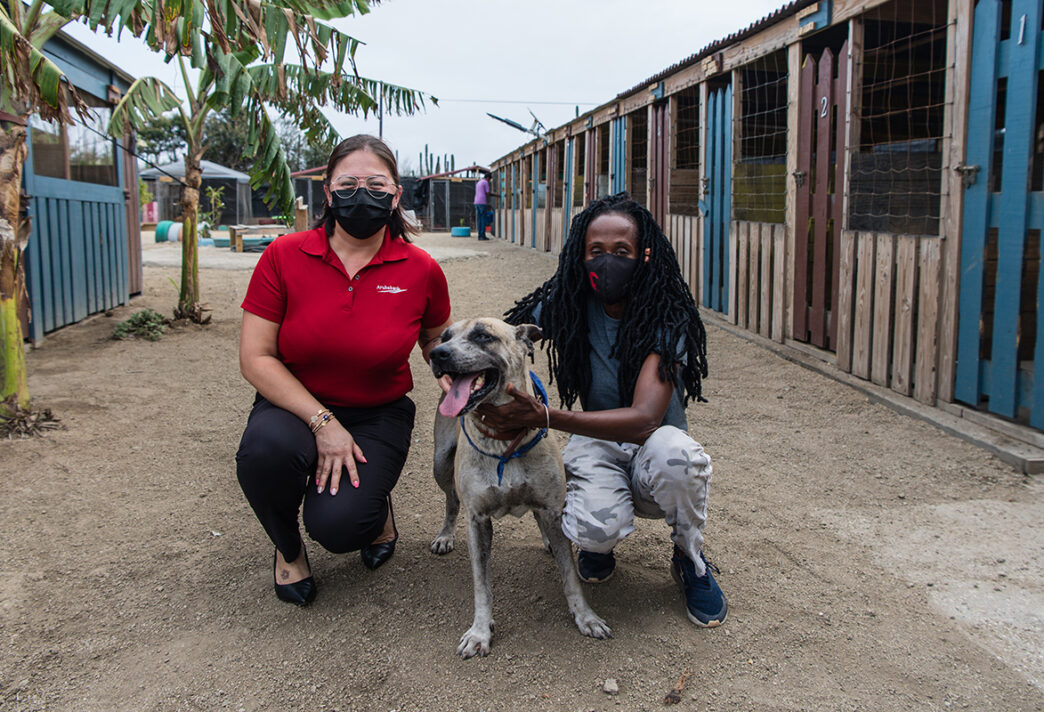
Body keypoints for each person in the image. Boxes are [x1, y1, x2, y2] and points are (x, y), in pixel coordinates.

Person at [474, 192, 727, 627]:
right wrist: (464, 369)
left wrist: (544, 417)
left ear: (644, 254)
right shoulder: (569, 300)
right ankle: (597, 544)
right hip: (598, 442)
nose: (607, 262)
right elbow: (500, 336)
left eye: (621, 252)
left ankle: (690, 558)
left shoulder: (667, 315)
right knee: (594, 530)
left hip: (653, 444)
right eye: (596, 251)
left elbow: (646, 417)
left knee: (679, 458)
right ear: (580, 253)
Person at [236, 134, 453, 606]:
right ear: (329, 193)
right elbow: (256, 357)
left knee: (339, 528)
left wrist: (449, 368)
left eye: (376, 184)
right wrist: (322, 422)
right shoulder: (283, 255)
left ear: (396, 195)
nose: (362, 194)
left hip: (378, 413)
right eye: (348, 183)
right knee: (264, 453)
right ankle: (288, 549)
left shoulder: (421, 269)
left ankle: (375, 514)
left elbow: (435, 336)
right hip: (292, 406)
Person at [474, 170, 492, 240]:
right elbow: (487, 193)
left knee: (479, 219)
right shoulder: (485, 182)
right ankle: (482, 236)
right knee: (483, 219)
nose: (489, 180)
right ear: (487, 178)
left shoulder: (479, 182)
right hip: (482, 202)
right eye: (489, 179)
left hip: (476, 202)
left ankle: (479, 235)